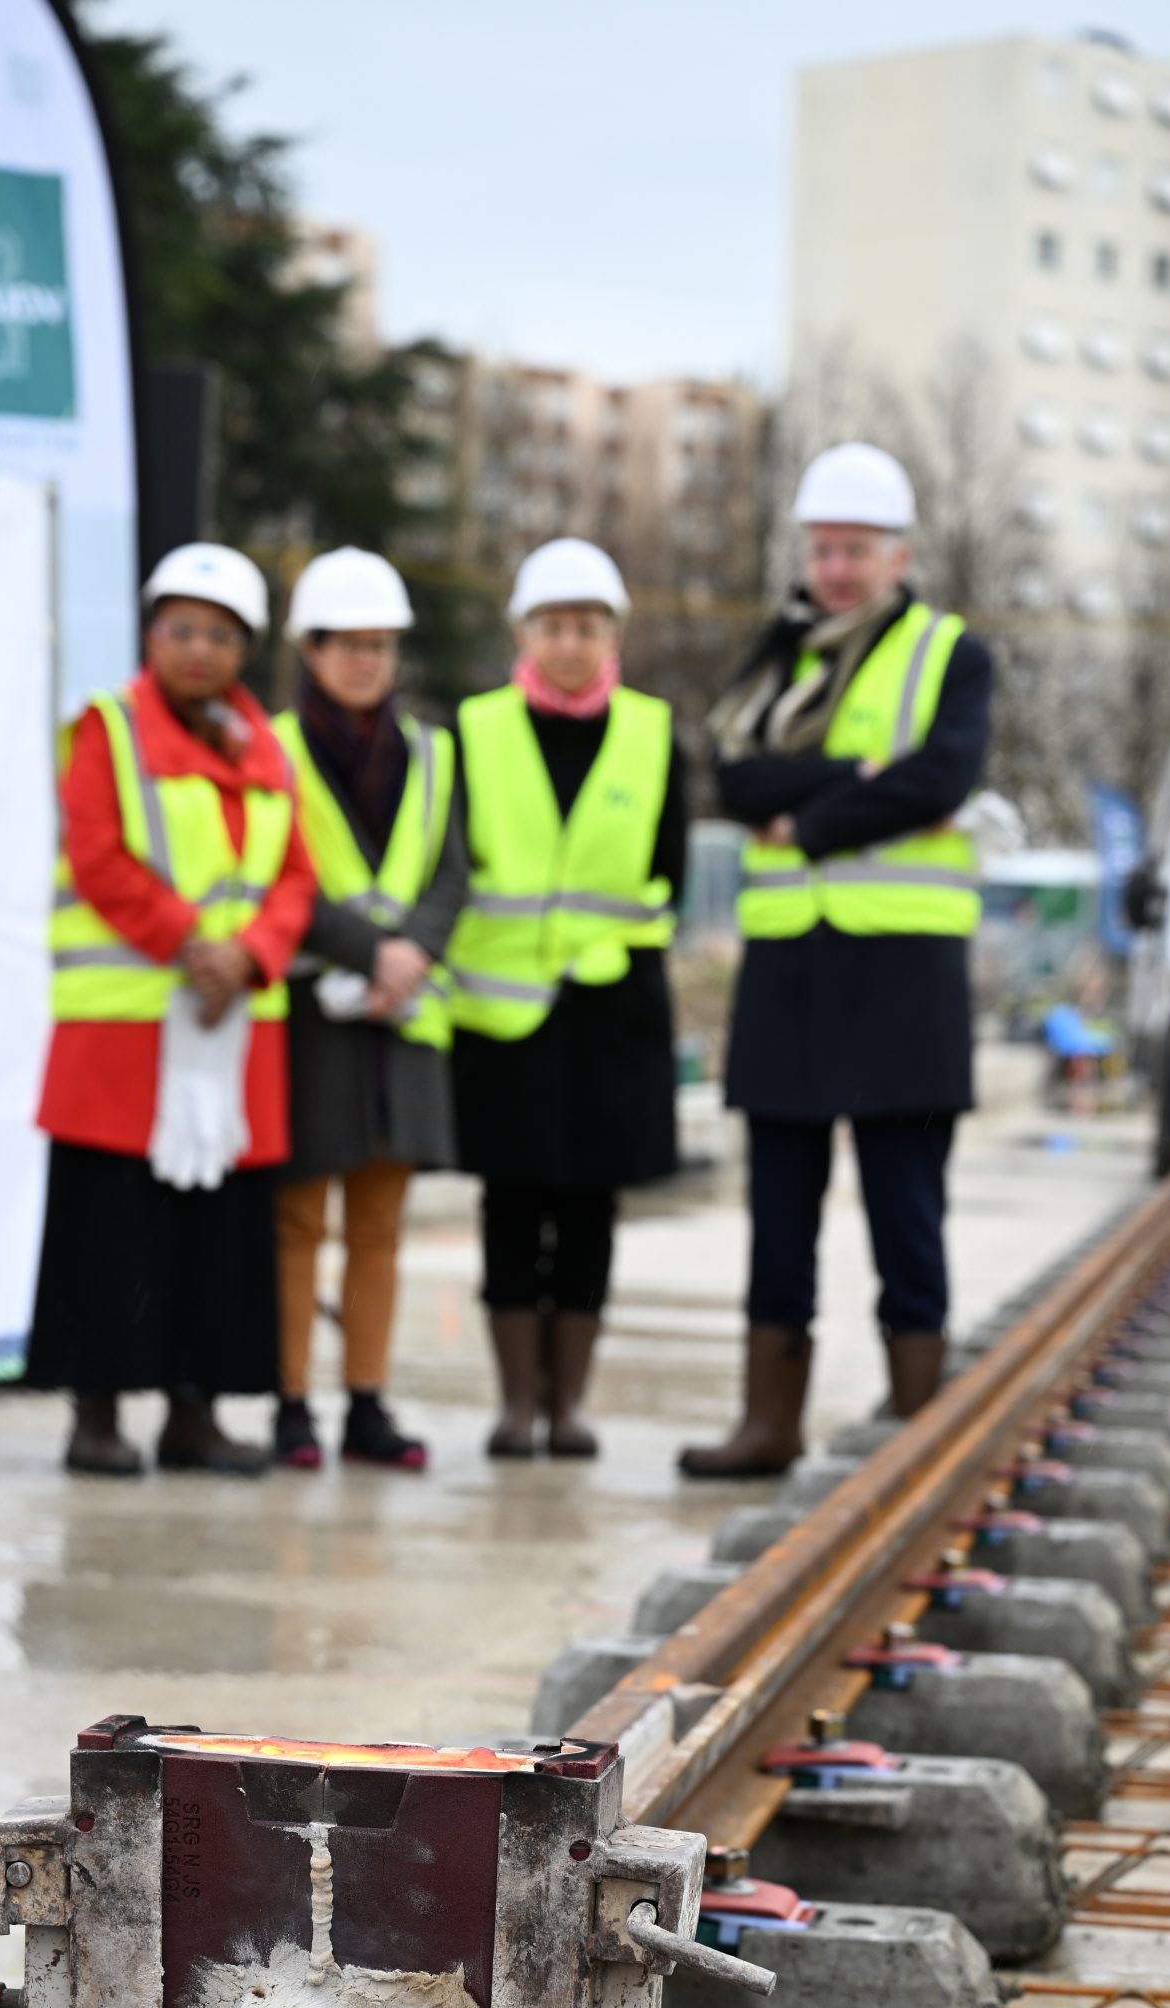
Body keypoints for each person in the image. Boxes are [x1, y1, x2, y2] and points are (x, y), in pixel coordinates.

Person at [680, 442, 993, 1479]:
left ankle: (916, 1419)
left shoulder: (950, 654)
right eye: (822, 550)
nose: (837, 570)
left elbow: (940, 777)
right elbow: (735, 780)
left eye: (856, 551)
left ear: (899, 555)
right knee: (778, 1211)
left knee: (906, 1206)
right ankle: (768, 1422)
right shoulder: (780, 653)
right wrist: (851, 777)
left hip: (904, 972)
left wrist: (808, 822)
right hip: (789, 973)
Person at [25, 542, 316, 1476]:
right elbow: (98, 854)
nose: (198, 648)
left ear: (246, 649)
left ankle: (195, 1416)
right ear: (150, 634)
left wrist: (252, 954)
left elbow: (294, 876)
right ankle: (96, 1416)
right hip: (124, 1027)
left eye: (219, 635)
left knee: (217, 1237)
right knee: (109, 1228)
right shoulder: (106, 729)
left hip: (232, 1031)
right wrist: (190, 943)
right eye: (181, 628)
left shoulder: (267, 748)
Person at [448, 538, 685, 1458]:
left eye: (586, 627)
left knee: (589, 1209)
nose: (570, 644)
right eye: (552, 626)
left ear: (612, 636)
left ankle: (568, 1406)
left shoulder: (654, 733)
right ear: (522, 633)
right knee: (510, 1207)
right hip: (504, 1010)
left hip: (611, 1010)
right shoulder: (474, 731)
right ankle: (515, 1405)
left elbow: (667, 866)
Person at [270, 548, 468, 1470]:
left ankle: (366, 1404)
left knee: (380, 1227)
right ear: (309, 650)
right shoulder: (274, 749)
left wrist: (411, 954)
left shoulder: (432, 752)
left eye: (379, 645)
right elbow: (275, 872)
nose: (364, 661)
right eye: (346, 644)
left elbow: (451, 872)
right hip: (313, 1012)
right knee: (297, 1221)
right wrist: (371, 952)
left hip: (401, 1016)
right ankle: (290, 1404)